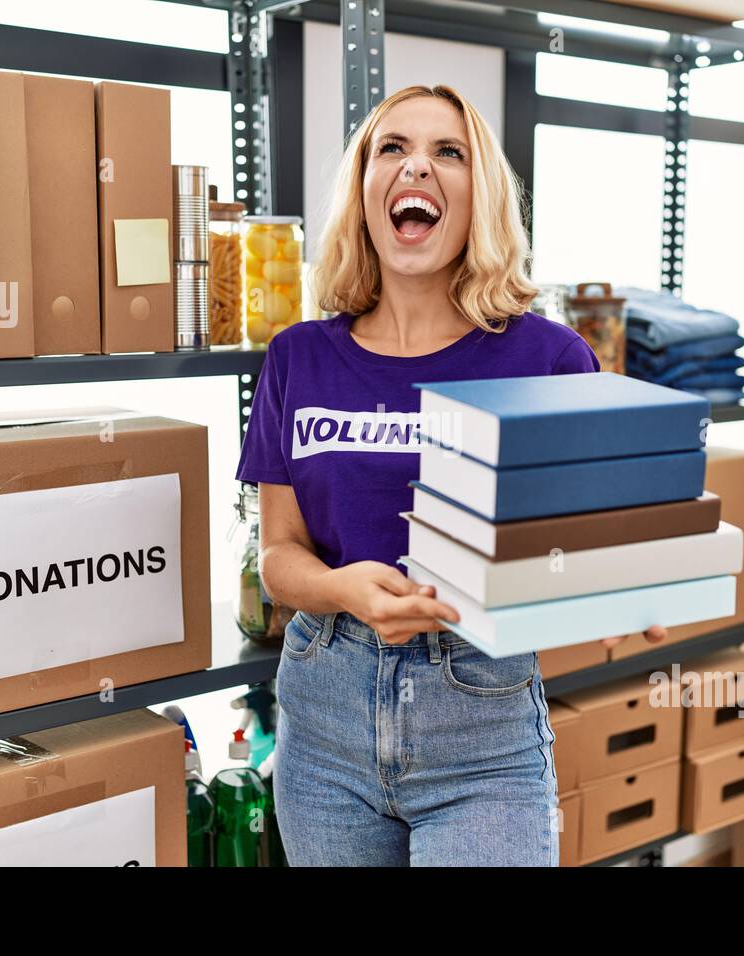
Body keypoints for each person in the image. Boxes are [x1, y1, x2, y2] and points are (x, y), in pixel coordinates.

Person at [235, 84, 664, 867]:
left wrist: (626, 582)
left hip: (481, 728)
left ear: (481, 197)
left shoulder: (549, 362)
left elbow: (592, 533)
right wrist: (343, 589)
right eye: (392, 149)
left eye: (448, 153)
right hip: (323, 723)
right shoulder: (298, 358)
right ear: (365, 189)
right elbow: (278, 559)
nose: (417, 169)